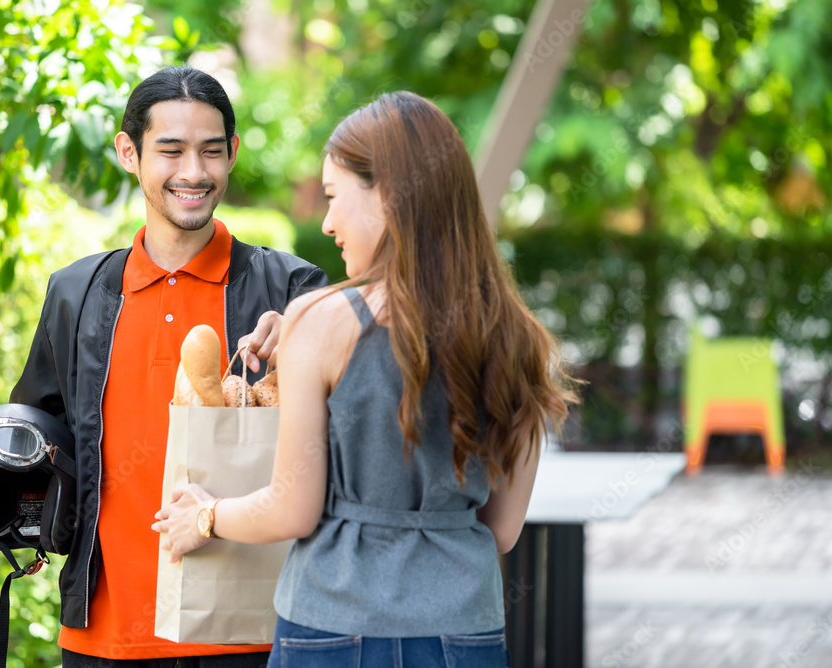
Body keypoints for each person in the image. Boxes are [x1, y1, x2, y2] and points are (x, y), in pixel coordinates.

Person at [0, 65, 329, 667]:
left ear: (233, 154)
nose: (194, 172)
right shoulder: (76, 293)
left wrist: (299, 350)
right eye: (171, 151)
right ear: (128, 153)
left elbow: (340, 447)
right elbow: (33, 433)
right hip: (103, 636)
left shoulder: (293, 290)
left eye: (211, 152)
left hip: (252, 633)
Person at [152, 91, 578, 667]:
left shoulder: (319, 322)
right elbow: (501, 530)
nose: (326, 223)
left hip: (333, 627)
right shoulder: (518, 335)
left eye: (333, 197)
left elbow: (292, 510)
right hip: (464, 631)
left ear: (389, 195)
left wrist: (204, 513)